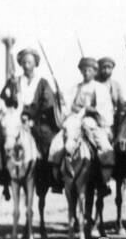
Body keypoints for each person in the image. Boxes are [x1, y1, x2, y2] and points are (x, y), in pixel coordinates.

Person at [49, 57, 115, 190]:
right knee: (57, 143)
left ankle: (104, 180)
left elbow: (105, 108)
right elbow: (67, 105)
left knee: (104, 145)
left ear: (95, 72)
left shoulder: (100, 88)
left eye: (89, 70)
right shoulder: (76, 87)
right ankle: (57, 179)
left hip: (92, 120)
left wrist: (92, 110)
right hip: (75, 119)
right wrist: (61, 99)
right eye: (84, 70)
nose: (86, 73)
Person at [0, 47, 62, 162]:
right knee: (3, 134)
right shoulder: (15, 81)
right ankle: (3, 171)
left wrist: (31, 117)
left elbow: (47, 104)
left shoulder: (42, 82)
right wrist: (10, 89)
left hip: (37, 119)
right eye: (23, 62)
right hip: (16, 118)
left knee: (47, 138)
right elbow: (6, 99)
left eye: (29, 62)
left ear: (35, 64)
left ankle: (44, 169)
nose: (26, 65)